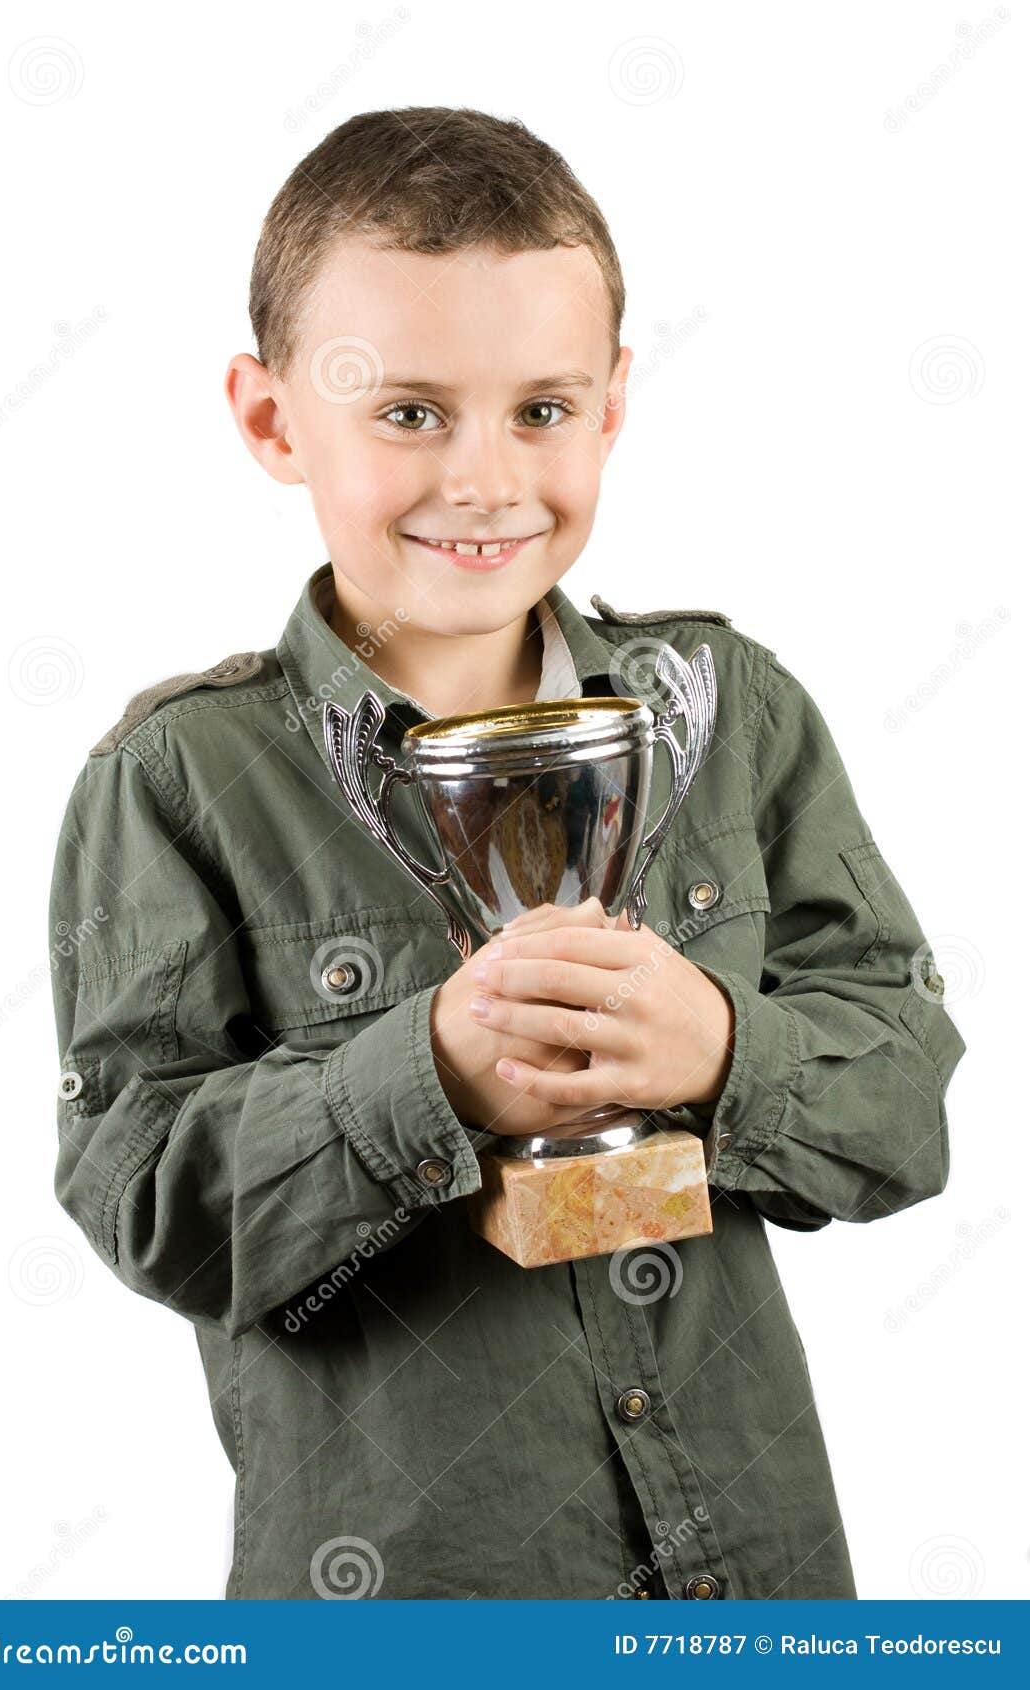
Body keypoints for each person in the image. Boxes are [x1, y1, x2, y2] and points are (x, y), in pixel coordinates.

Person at [48, 107, 966, 1601]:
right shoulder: (179, 778)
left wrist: (723, 1048)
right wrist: (429, 1076)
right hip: (407, 1605)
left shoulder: (732, 713)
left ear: (613, 406)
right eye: (409, 411)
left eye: (540, 409)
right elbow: (149, 1204)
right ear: (276, 420)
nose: (484, 479)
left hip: (759, 1590)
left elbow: (907, 1102)